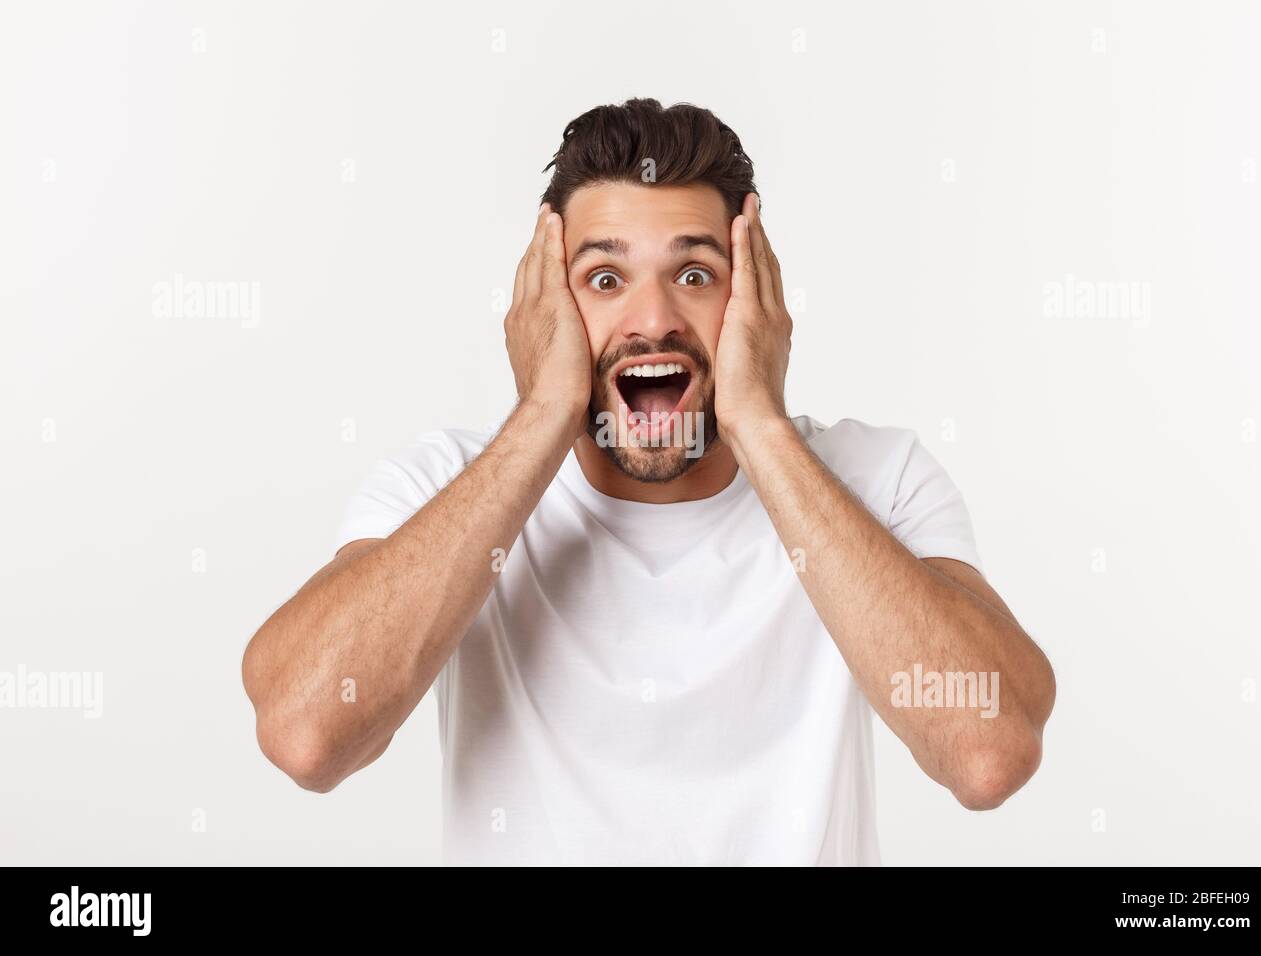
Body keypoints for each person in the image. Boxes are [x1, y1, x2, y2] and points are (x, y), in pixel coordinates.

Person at [241, 97, 1056, 865]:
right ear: (545, 307)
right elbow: (307, 737)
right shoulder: (446, 485)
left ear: (755, 299)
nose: (654, 318)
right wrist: (543, 414)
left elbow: (989, 754)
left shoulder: (877, 479)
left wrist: (761, 425)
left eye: (696, 275)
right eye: (604, 279)